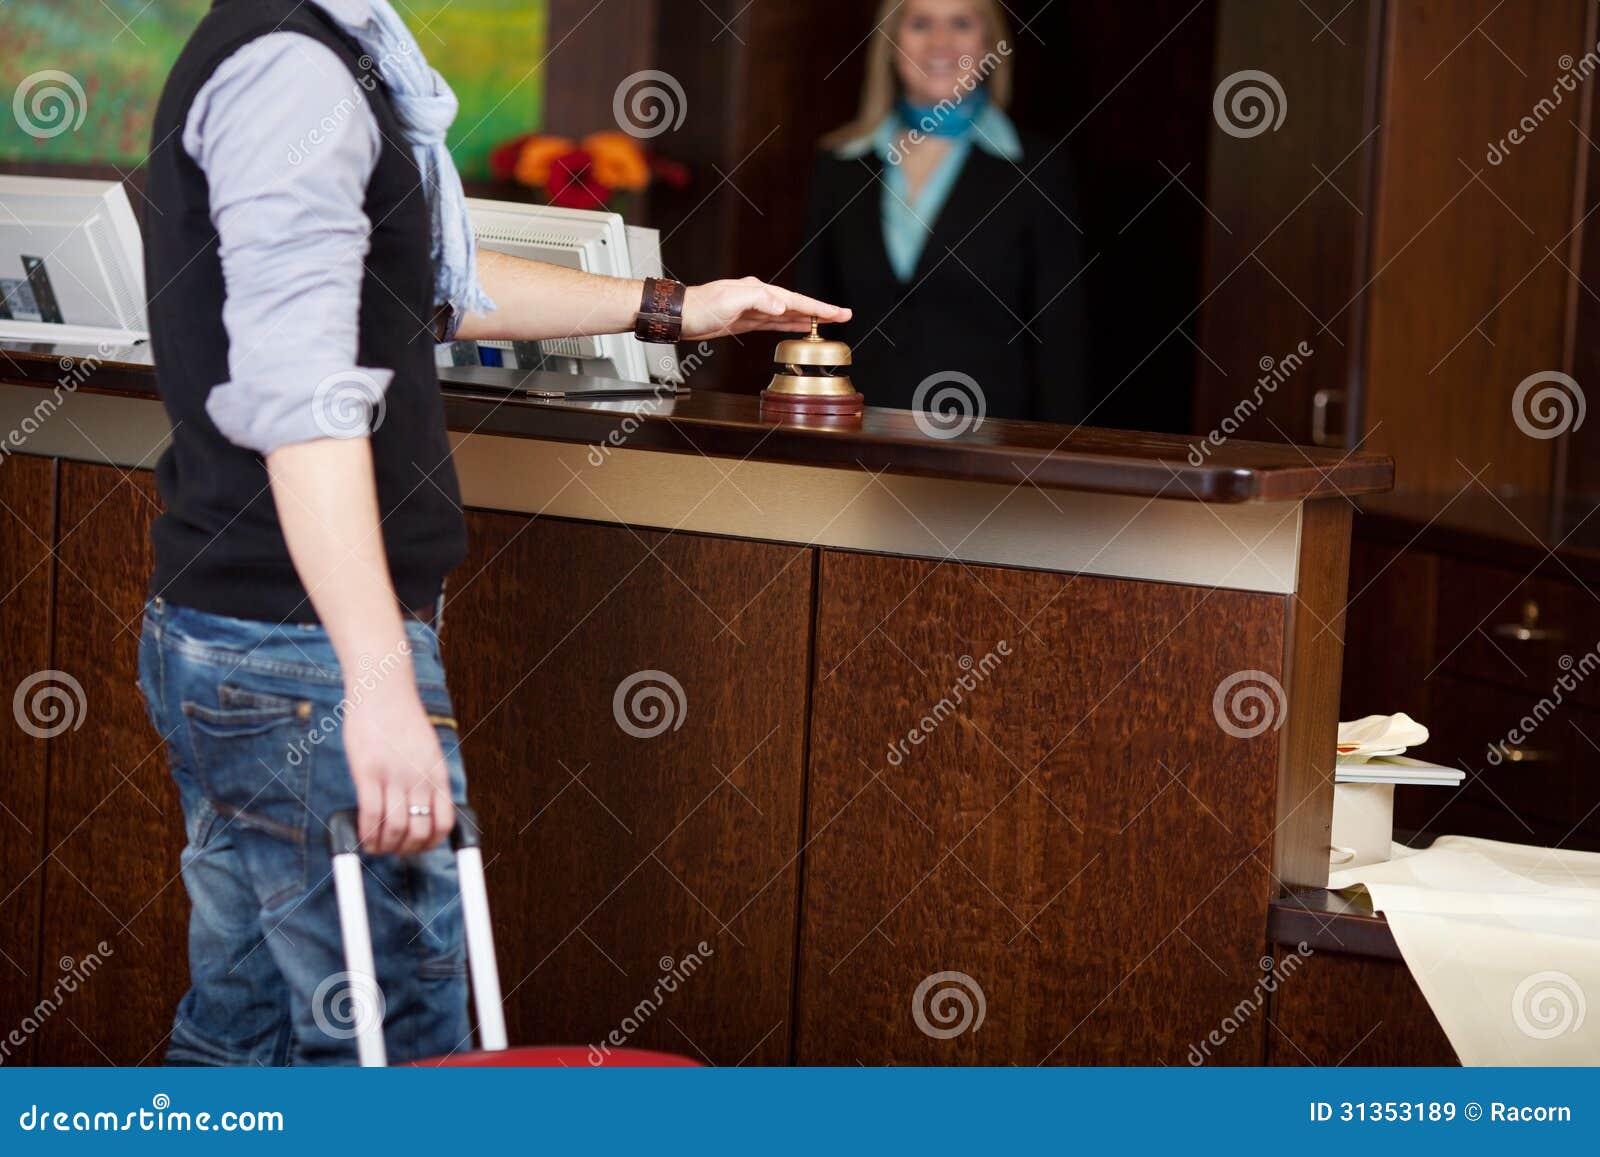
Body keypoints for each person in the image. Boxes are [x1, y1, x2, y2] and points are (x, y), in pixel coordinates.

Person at [135, 0, 848, 1066]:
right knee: (400, 1055)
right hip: (304, 655)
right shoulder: (296, 73)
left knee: (246, 1043)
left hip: (256, 636)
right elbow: (305, 404)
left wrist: (675, 306)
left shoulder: (312, 52)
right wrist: (376, 680)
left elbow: (422, 288)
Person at [798, 0, 1086, 423]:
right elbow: (811, 319)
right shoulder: (839, 164)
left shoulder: (1039, 171)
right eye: (920, 23)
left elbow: (1061, 341)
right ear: (892, 43)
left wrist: (1055, 455)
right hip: (854, 436)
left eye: (960, 23)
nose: (940, 42)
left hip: (987, 445)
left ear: (989, 44)